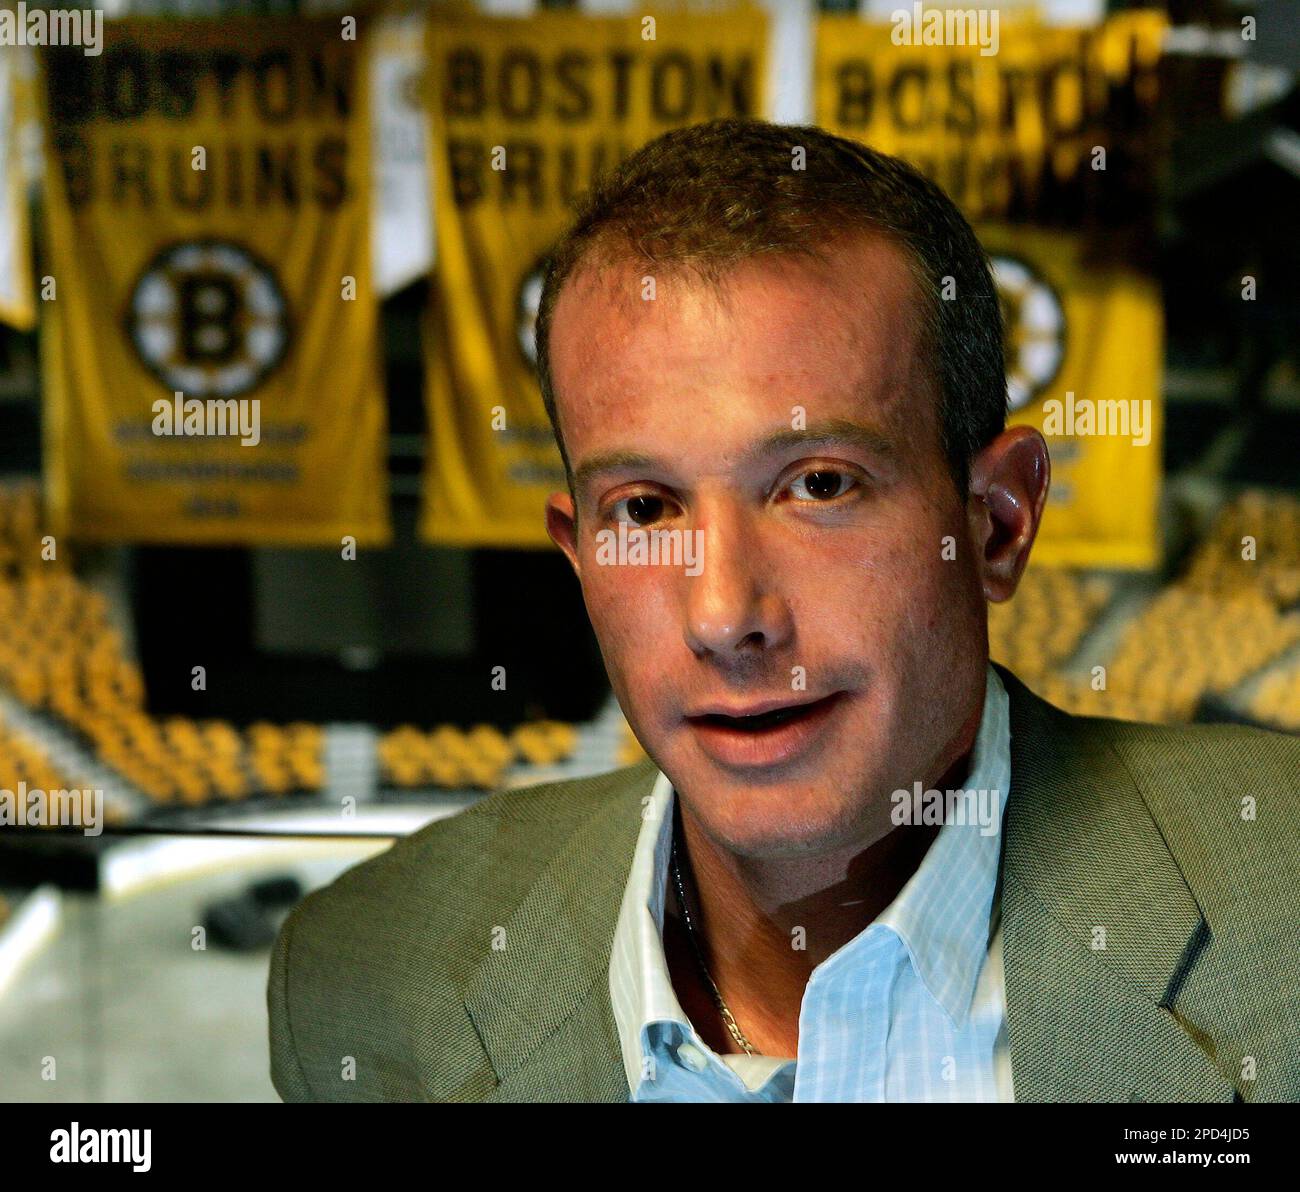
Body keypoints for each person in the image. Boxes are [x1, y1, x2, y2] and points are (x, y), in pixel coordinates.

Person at [268, 118, 1299, 1103]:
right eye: (645, 507)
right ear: (578, 557)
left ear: (994, 524)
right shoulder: (359, 985)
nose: (724, 615)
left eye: (817, 485)